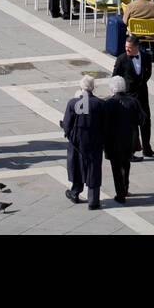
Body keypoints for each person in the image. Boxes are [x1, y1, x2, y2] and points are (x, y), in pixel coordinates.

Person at [62, 74, 106, 209]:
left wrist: (70, 135)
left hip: (77, 141)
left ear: (80, 88)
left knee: (77, 167)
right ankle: (93, 201)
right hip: (94, 142)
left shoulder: (73, 103)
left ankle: (75, 193)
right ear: (92, 88)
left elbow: (67, 124)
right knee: (93, 169)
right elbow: (105, 125)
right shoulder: (100, 104)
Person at [112, 34, 154, 158]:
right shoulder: (121, 59)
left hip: (142, 94)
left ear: (137, 47)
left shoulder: (146, 57)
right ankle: (130, 151)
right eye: (126, 47)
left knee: (145, 121)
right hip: (128, 96)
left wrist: (140, 84)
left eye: (129, 47)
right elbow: (115, 77)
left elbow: (148, 73)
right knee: (131, 125)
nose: (127, 49)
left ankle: (147, 149)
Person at [104, 75, 141, 203]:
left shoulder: (109, 103)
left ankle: (120, 194)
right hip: (129, 139)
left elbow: (104, 124)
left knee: (116, 168)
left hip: (113, 141)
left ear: (112, 89)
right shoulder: (133, 101)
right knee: (126, 163)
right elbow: (142, 119)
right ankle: (125, 188)